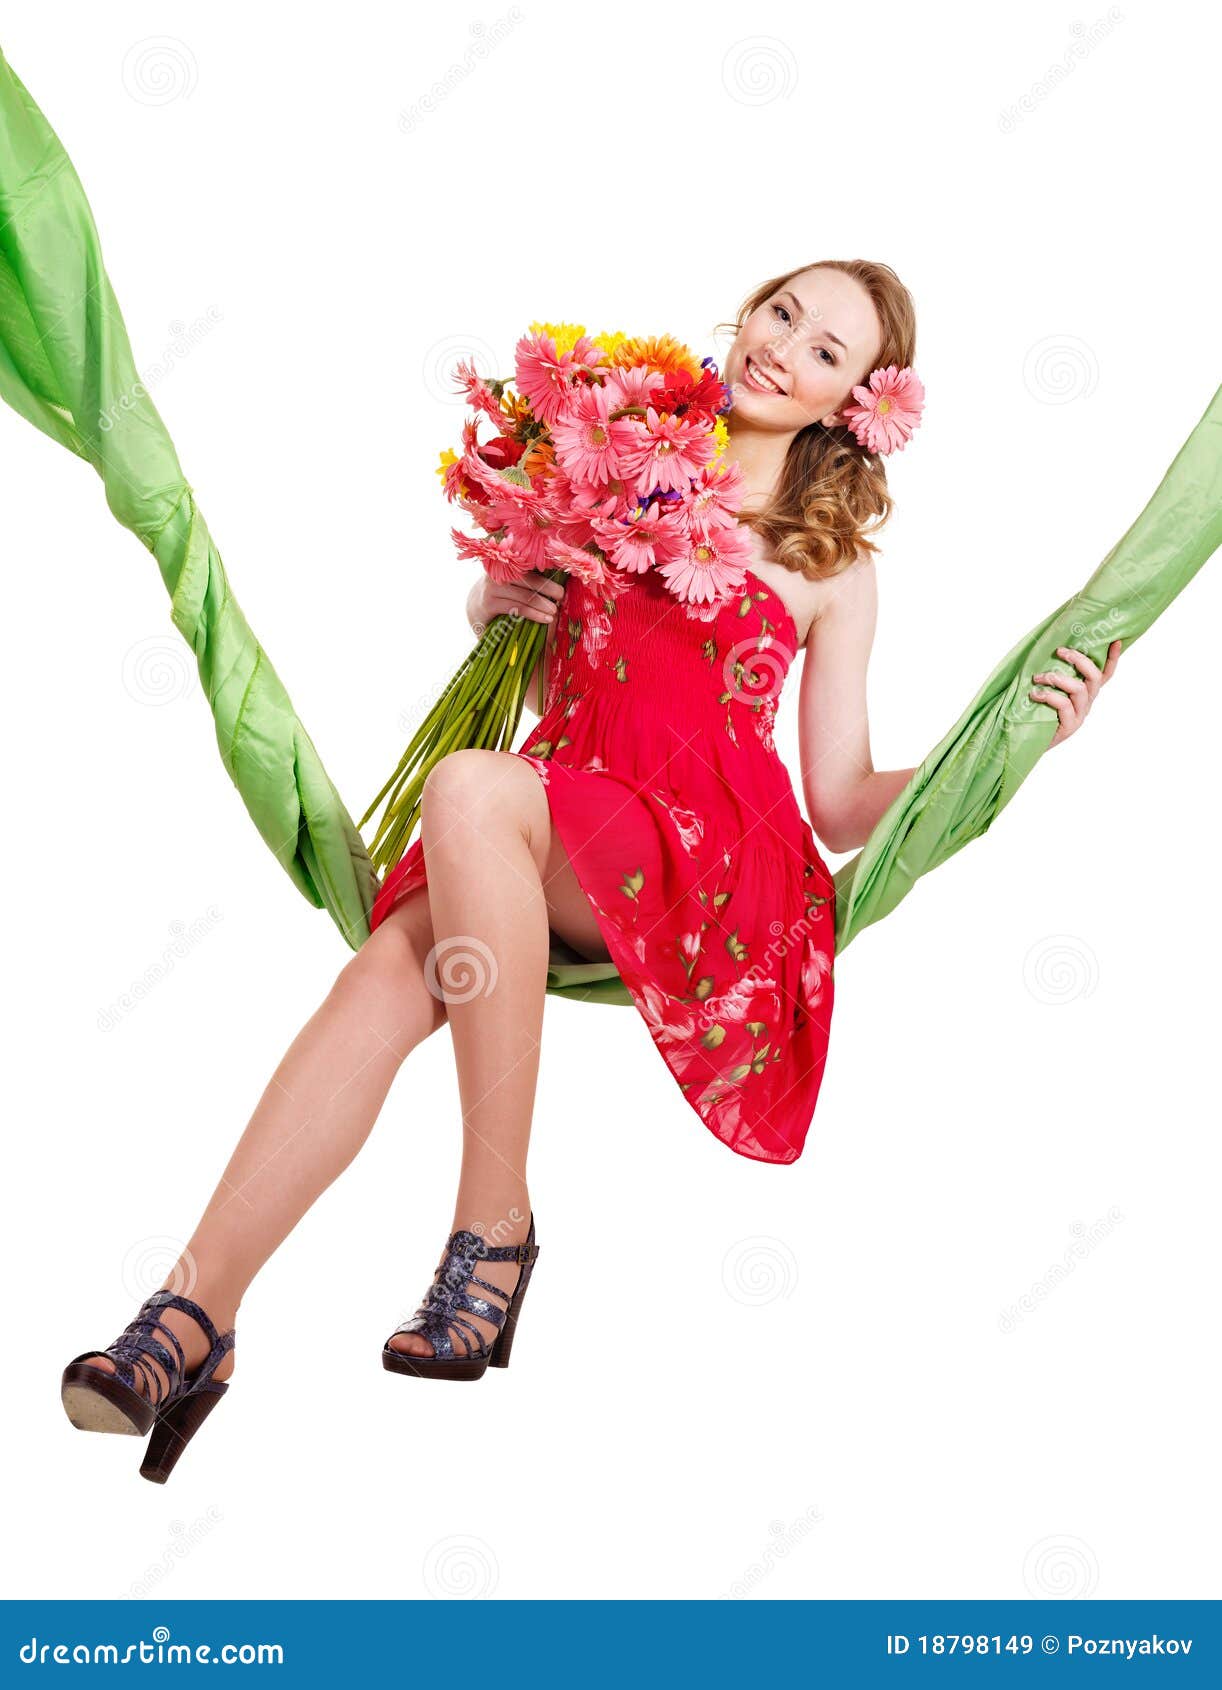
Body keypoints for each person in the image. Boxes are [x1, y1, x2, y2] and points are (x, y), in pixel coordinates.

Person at [59, 261, 1121, 1479]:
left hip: (706, 864)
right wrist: (493, 598)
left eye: (826, 351)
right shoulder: (612, 452)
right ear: (749, 310)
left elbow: (839, 801)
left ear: (852, 402)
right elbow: (530, 611)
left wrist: (1007, 750)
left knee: (467, 789)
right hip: (539, 834)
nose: (784, 349)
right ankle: (191, 1321)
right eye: (781, 313)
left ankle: (490, 1225)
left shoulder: (830, 565)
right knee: (382, 973)